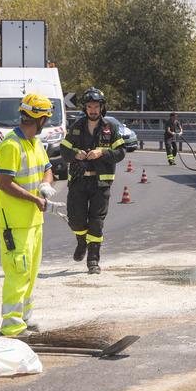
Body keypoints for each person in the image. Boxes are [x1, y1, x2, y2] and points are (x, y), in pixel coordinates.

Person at [0, 93, 55, 336]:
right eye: (46, 119)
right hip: (15, 223)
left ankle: (25, 319)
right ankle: (11, 326)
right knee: (17, 273)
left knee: (30, 273)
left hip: (33, 222)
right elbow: (5, 183)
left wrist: (45, 185)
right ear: (38, 118)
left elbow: (48, 169)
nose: (46, 123)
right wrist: (35, 199)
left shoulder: (36, 143)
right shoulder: (11, 145)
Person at [60, 87, 126, 274]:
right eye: (89, 106)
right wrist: (76, 154)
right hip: (78, 183)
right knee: (76, 220)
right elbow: (64, 151)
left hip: (101, 184)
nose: (93, 110)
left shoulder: (110, 128)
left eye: (96, 106)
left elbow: (121, 152)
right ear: (85, 109)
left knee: (96, 222)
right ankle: (81, 241)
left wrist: (102, 153)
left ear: (101, 107)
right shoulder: (76, 127)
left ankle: (93, 260)